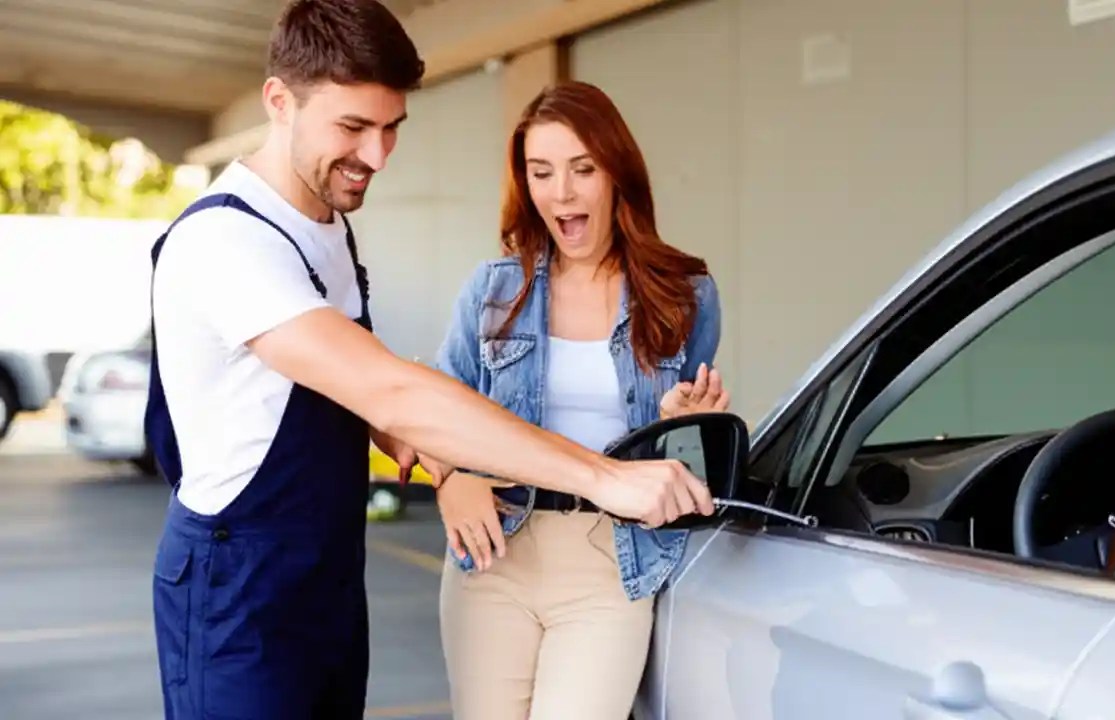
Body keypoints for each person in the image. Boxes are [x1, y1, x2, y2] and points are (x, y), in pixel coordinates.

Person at [143, 4, 712, 719]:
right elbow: (391, 393)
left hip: (324, 578)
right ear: (279, 103)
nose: (378, 156)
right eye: (353, 127)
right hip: (237, 590)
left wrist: (446, 466)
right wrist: (603, 477)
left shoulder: (325, 228)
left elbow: (359, 405)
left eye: (391, 129)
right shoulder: (226, 243)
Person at [424, 80, 730, 720]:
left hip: (612, 562)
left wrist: (681, 424)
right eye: (541, 172)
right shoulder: (492, 290)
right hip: (494, 551)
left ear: (617, 172)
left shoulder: (685, 294)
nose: (560, 192)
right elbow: (435, 412)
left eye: (581, 169)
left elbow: (685, 461)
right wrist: (451, 479)